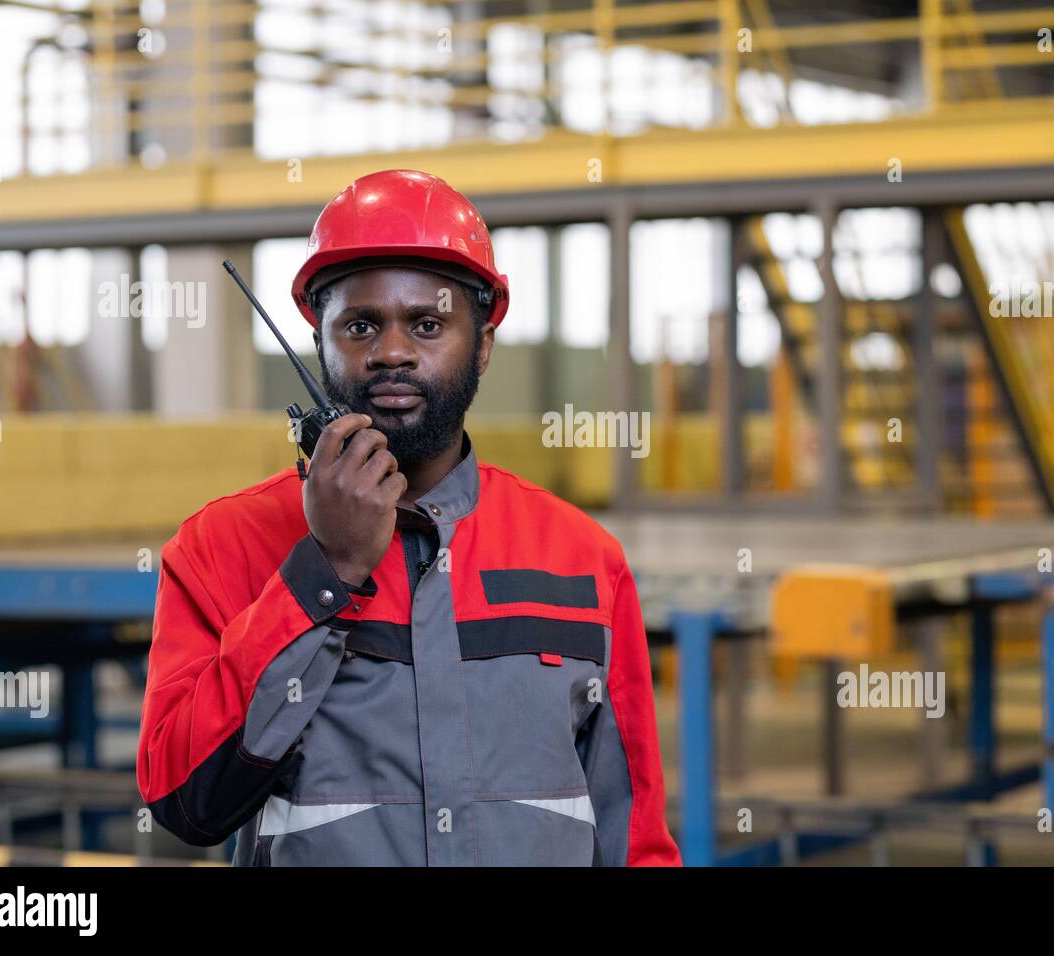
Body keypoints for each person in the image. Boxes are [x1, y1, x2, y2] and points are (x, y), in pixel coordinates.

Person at [135, 169, 681, 866]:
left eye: (428, 324)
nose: (392, 351)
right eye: (361, 325)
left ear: (482, 343)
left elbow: (634, 838)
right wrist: (324, 574)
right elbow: (186, 802)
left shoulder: (583, 560)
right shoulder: (223, 547)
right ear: (321, 344)